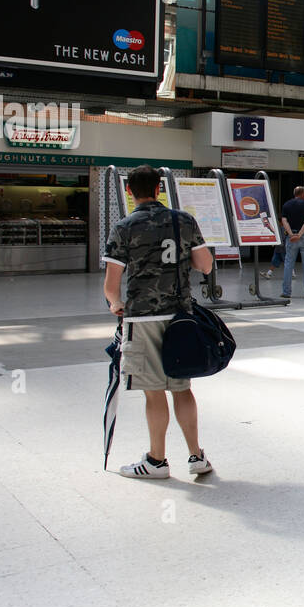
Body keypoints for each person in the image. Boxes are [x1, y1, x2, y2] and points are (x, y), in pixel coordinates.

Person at [103, 164, 215, 481]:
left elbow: (112, 285)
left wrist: (116, 304)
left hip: (143, 318)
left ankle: (157, 461)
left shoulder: (124, 227)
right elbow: (205, 265)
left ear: (129, 191)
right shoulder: (184, 221)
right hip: (180, 318)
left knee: (154, 392)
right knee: (182, 388)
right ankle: (197, 457)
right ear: (159, 189)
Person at [280, 186, 304, 299]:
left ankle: (286, 292)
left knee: (288, 264)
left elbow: (284, 220)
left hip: (291, 238)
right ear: (303, 193)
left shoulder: (286, 205)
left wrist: (291, 234)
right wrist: (299, 235)